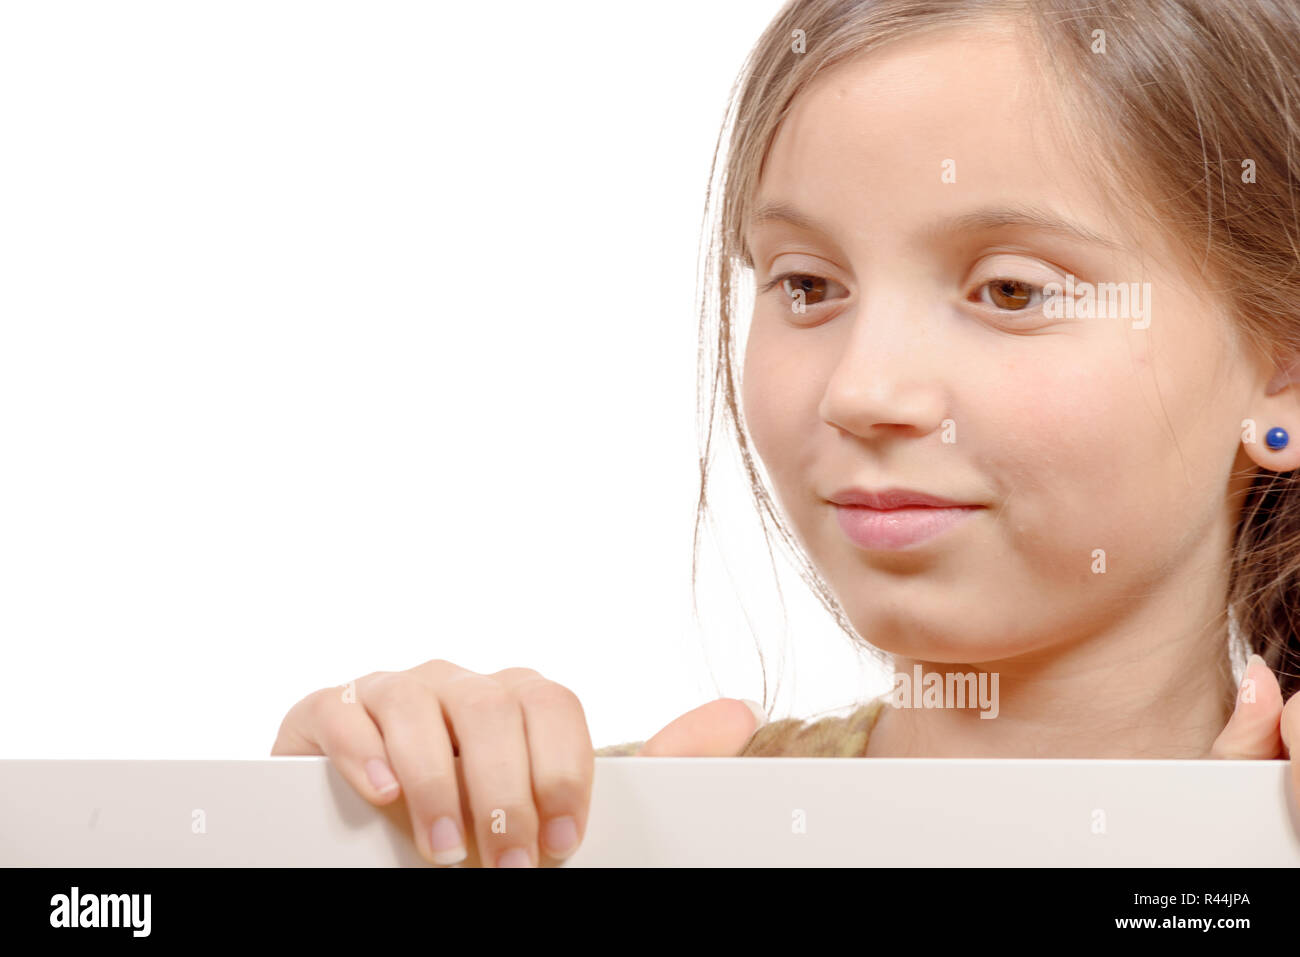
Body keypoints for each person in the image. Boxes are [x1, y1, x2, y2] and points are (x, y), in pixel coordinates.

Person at [272, 0, 1300, 867]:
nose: (859, 391)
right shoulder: (574, 833)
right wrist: (310, 841)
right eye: (806, 284)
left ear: (1281, 370)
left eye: (1008, 289)